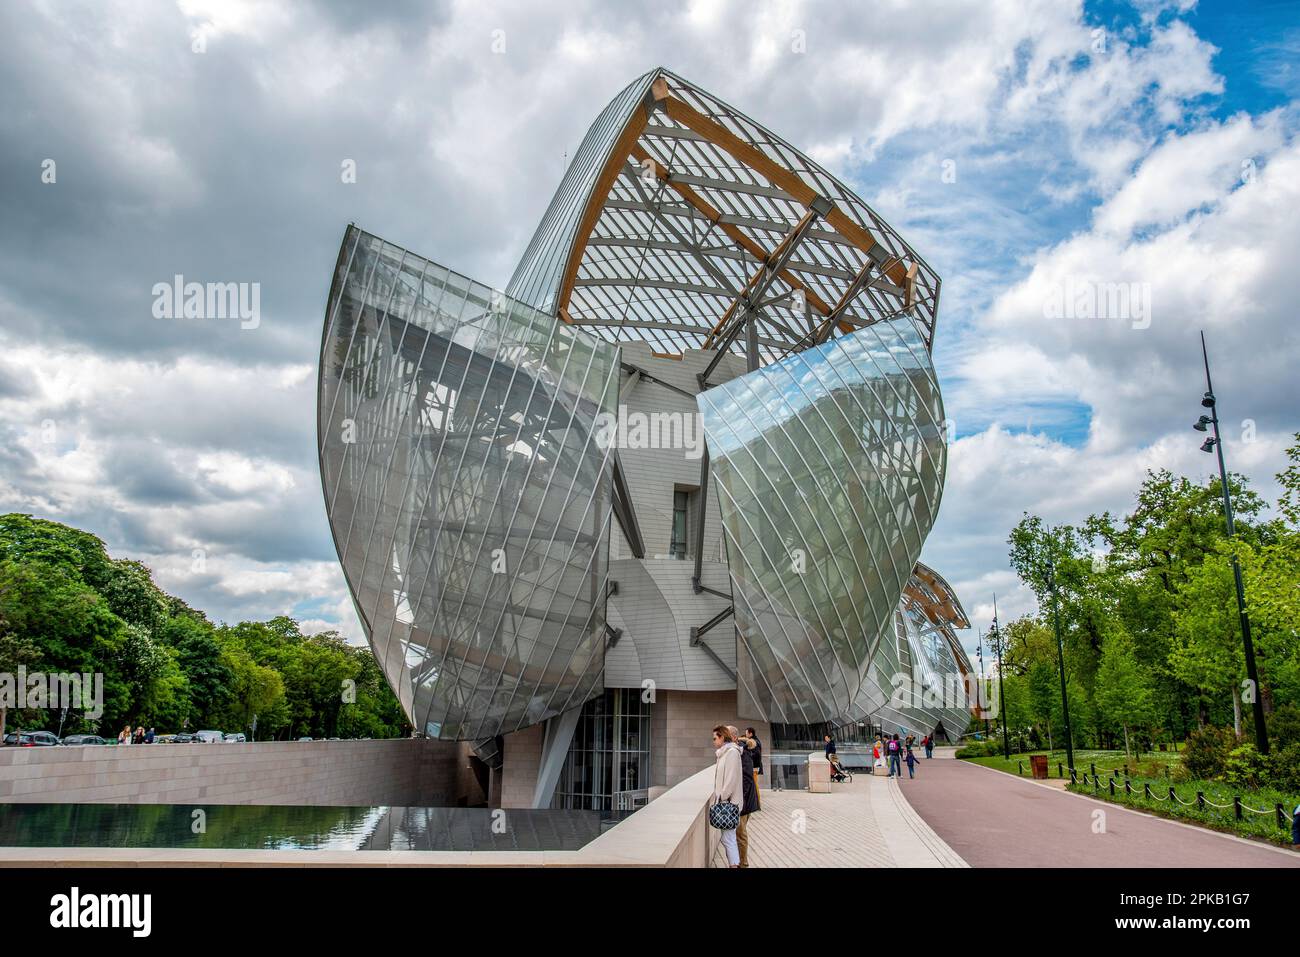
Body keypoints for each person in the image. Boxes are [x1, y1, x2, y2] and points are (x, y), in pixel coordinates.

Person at [729, 726, 760, 867]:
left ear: (734, 738)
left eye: (727, 737)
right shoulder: (736, 751)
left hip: (744, 801)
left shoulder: (742, 753)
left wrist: (738, 802)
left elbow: (746, 780)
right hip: (741, 800)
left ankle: (743, 863)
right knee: (737, 833)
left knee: (740, 833)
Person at [711, 726, 742, 868]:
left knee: (728, 838)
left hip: (729, 803)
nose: (713, 741)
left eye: (715, 738)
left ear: (722, 737)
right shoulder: (724, 753)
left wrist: (722, 797)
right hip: (726, 802)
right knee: (728, 838)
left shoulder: (732, 753)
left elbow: (731, 779)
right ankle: (734, 864)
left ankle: (734, 865)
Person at [746, 726, 763, 793]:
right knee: (755, 785)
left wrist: (749, 757)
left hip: (754, 767)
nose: (746, 735)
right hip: (755, 767)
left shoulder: (753, 741)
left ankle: (757, 802)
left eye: (747, 733)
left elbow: (757, 754)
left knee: (755, 786)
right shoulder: (756, 740)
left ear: (751, 734)